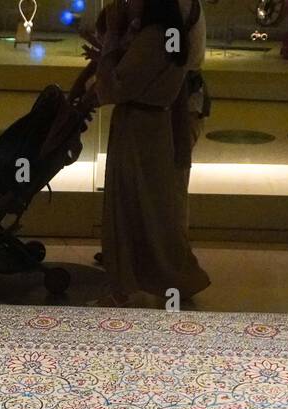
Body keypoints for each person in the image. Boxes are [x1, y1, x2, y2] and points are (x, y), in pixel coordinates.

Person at [90, 0, 210, 306]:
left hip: (141, 127)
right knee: (155, 206)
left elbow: (115, 87)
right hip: (156, 124)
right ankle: (155, 274)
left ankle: (141, 279)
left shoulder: (154, 35)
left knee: (134, 204)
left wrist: (111, 44)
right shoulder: (168, 32)